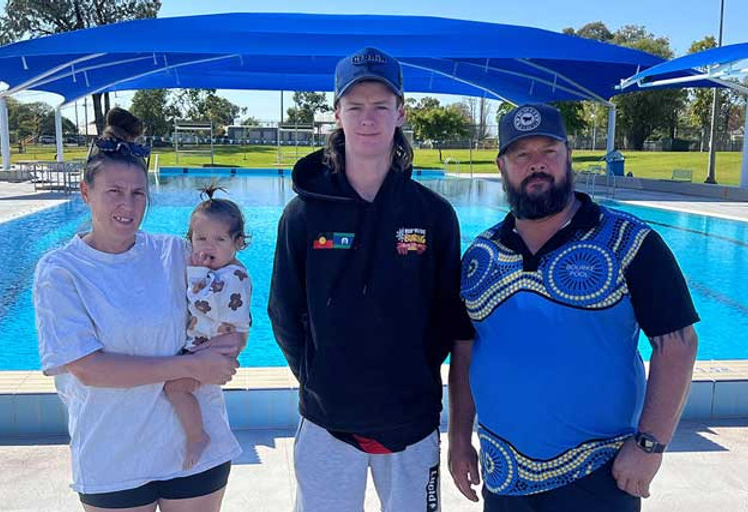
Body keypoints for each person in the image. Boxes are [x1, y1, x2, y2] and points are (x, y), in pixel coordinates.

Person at [448, 103, 699, 512]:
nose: (536, 165)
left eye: (548, 150)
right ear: (502, 166)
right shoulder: (481, 257)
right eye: (522, 155)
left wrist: (650, 447)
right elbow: (464, 351)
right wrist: (459, 441)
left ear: (568, 155)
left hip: (599, 474)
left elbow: (679, 343)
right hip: (503, 474)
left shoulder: (628, 242)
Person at [268, 47, 474, 512]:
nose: (368, 119)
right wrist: (320, 379)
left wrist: (413, 371)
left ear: (400, 113)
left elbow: (448, 316)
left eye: (381, 106)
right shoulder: (303, 213)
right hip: (326, 421)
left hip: (411, 420)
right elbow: (283, 310)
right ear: (337, 113)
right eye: (355, 106)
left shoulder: (434, 215)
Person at [33, 107, 242, 512]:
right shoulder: (60, 272)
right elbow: (91, 370)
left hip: (196, 449)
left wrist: (228, 348)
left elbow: (229, 294)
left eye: (138, 192)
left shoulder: (174, 252)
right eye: (114, 191)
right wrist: (189, 368)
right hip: (114, 455)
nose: (127, 204)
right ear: (85, 192)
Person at [165, 185, 252, 470]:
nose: (207, 247)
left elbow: (204, 304)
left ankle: (196, 435)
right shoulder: (224, 271)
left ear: (237, 242)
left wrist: (196, 271)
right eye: (200, 238)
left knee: (175, 388)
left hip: (220, 345)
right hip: (220, 341)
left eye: (219, 239)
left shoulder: (231, 276)